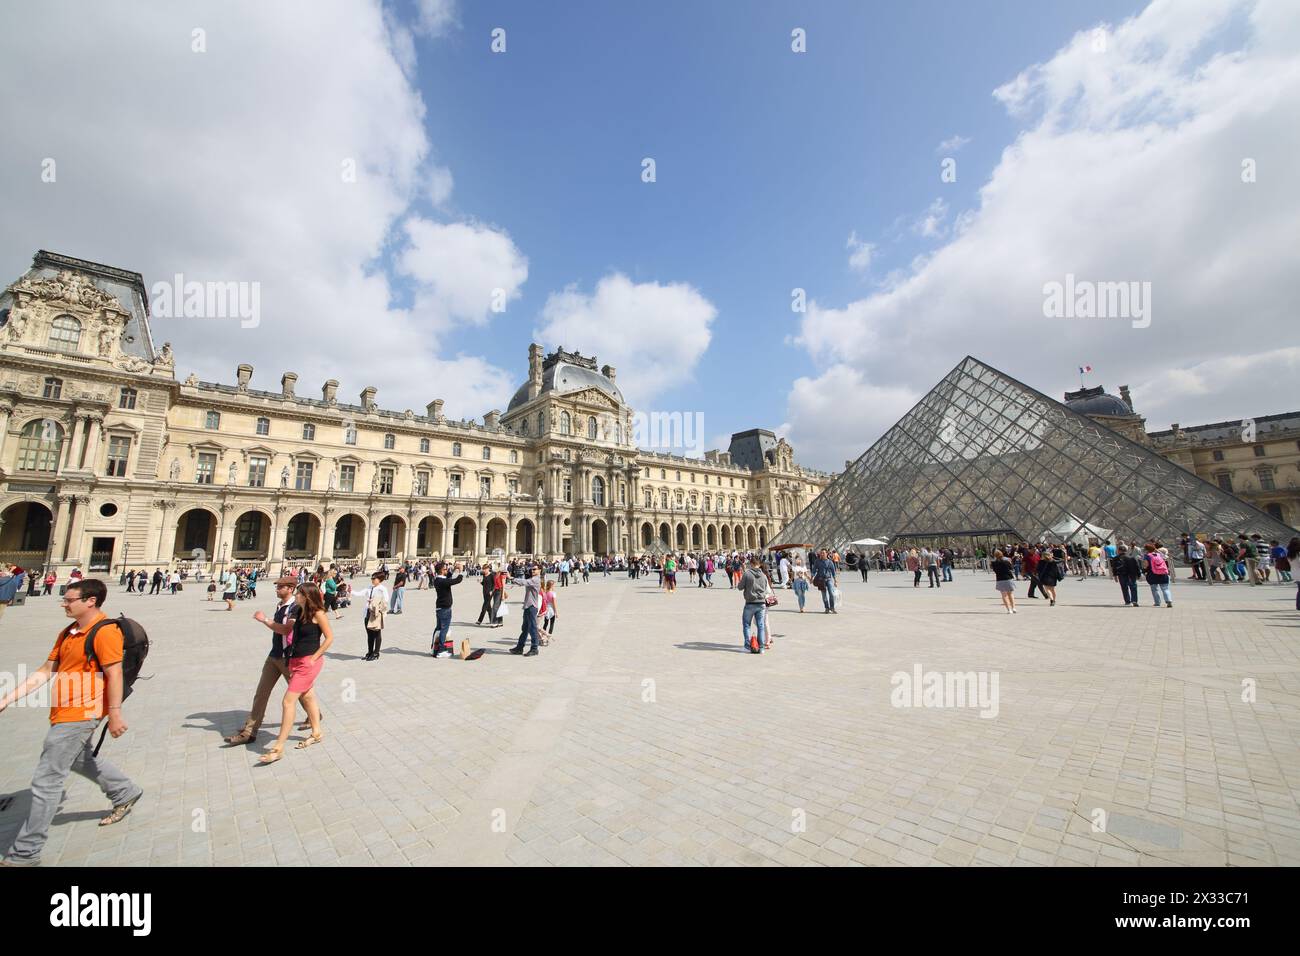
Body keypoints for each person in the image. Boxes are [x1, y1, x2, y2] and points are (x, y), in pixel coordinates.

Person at [0, 579, 144, 866]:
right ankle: (125, 791)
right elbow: (46, 670)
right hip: (62, 711)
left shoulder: (105, 633)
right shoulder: (69, 632)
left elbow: (114, 675)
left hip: (83, 712)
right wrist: (8, 697)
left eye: (69, 599)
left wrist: (114, 713)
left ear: (91, 601)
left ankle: (25, 853)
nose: (64, 603)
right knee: (78, 757)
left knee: (46, 781)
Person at [226, 576, 322, 745]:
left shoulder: (296, 607)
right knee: (262, 693)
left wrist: (265, 620)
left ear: (290, 589)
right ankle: (250, 731)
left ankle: (314, 716)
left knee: (302, 695)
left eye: (280, 587)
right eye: (277, 586)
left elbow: (286, 630)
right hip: (274, 655)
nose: (277, 589)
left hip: (289, 657)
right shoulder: (282, 605)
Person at [257, 583, 332, 763]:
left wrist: (314, 658)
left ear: (307, 596)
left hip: (308, 662)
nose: (296, 596)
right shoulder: (298, 611)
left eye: (299, 593)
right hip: (295, 660)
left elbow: (329, 638)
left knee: (287, 702)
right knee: (308, 697)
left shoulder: (318, 614)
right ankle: (316, 732)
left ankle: (278, 747)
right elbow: (290, 633)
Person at [508, 564, 543, 657]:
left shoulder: (536, 579)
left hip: (532, 607)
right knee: (525, 629)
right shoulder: (532, 579)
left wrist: (511, 578)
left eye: (535, 569)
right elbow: (523, 582)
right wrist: (514, 582)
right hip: (528, 606)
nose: (532, 571)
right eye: (532, 569)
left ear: (540, 570)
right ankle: (519, 647)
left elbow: (524, 582)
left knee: (533, 628)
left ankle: (534, 648)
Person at [740, 555, 772, 653]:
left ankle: (748, 646)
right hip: (761, 603)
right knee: (761, 625)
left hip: (750, 603)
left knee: (746, 625)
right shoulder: (764, 575)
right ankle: (761, 648)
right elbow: (767, 589)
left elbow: (740, 587)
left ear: (751, 564)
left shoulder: (747, 574)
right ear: (759, 564)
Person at [431, 562, 462, 658]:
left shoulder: (438, 580)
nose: (446, 570)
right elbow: (457, 580)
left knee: (438, 629)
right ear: (441, 570)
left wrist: (453, 570)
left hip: (440, 608)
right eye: (445, 569)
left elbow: (448, 577)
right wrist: (460, 571)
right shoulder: (442, 581)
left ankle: (434, 648)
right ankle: (441, 650)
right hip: (445, 609)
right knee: (444, 629)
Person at [360, 571, 390, 660]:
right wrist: (351, 591)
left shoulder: (382, 589)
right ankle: (370, 652)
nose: (372, 580)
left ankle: (376, 653)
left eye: (374, 578)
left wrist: (374, 602)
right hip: (368, 613)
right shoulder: (370, 587)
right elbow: (360, 593)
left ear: (379, 580)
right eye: (371, 578)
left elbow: (386, 601)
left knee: (376, 633)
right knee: (369, 634)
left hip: (376, 614)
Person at [812, 548, 838, 613]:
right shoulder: (817, 561)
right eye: (821, 553)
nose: (822, 554)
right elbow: (814, 570)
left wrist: (835, 581)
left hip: (829, 579)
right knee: (824, 595)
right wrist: (811, 577)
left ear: (827, 553)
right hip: (821, 580)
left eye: (823, 553)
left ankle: (832, 608)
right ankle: (826, 608)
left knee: (831, 594)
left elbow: (833, 572)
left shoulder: (830, 562)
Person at [991, 549, 1016, 614]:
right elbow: (1011, 568)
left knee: (1004, 595)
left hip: (1000, 579)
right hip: (1008, 578)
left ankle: (1008, 609)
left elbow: (995, 570)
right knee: (1010, 594)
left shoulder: (994, 563)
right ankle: (1013, 608)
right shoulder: (1006, 561)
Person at [540, 580, 557, 645]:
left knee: (545, 623)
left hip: (545, 609)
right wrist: (556, 612)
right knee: (551, 624)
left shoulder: (545, 592)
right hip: (551, 609)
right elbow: (554, 603)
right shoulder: (553, 593)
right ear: (552, 585)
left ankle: (542, 637)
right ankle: (548, 638)